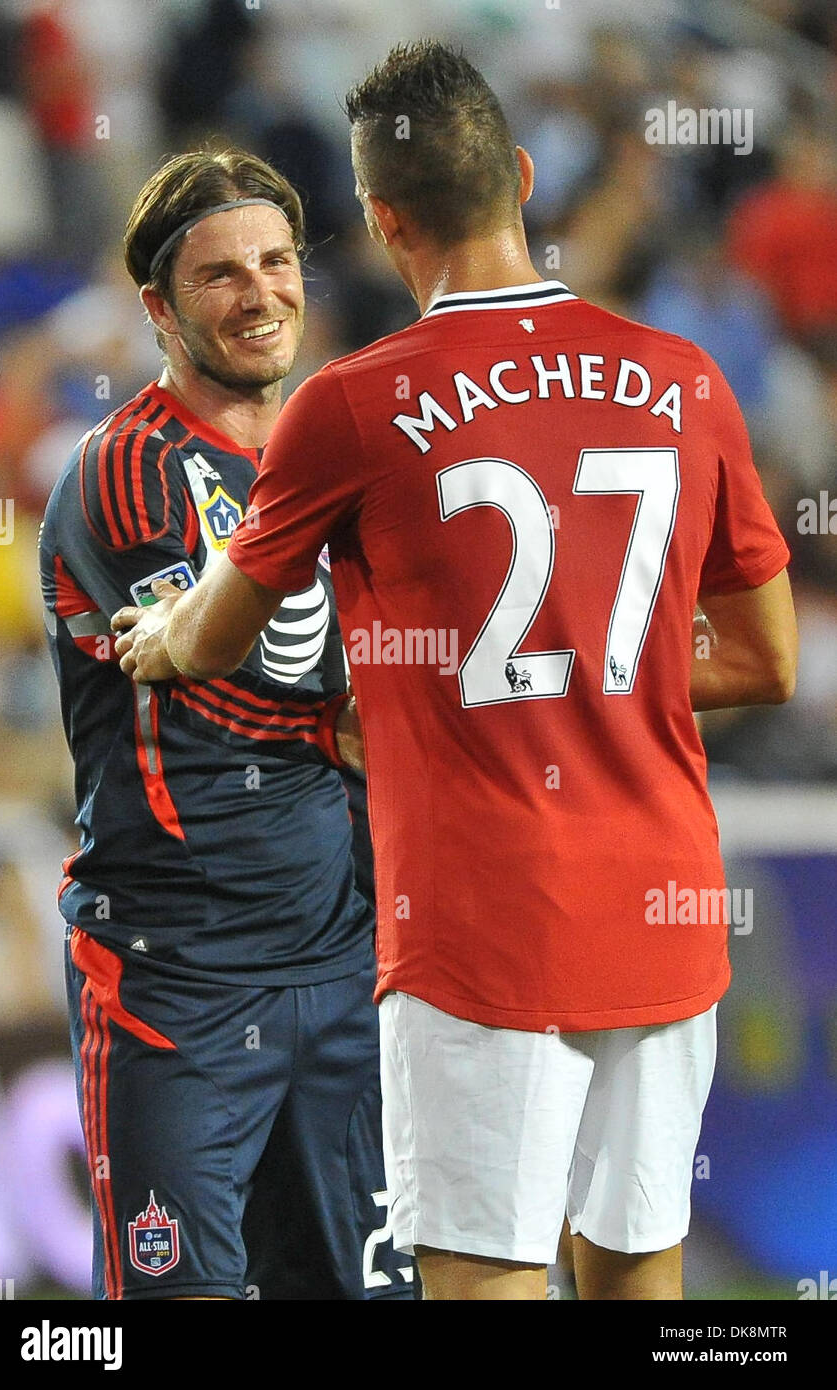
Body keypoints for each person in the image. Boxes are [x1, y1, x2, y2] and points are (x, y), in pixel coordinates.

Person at [115, 45, 797, 1301]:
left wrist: (157, 639)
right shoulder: (683, 379)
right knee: (641, 1276)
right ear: (523, 177)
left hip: (482, 922)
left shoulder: (352, 405)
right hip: (663, 900)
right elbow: (764, 657)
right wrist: (599, 675)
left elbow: (212, 638)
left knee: (481, 1280)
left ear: (379, 222)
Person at [40, 146, 411, 1301]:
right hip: (176, 988)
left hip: (345, 968)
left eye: (276, 262)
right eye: (219, 276)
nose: (259, 294)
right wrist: (371, 699)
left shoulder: (341, 456)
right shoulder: (124, 468)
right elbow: (219, 671)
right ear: (156, 306)